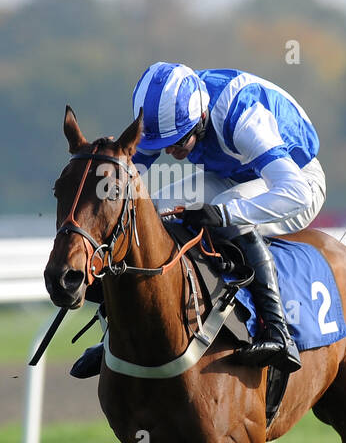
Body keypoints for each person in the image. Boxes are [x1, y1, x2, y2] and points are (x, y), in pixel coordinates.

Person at [71, 61, 326, 377]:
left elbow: (295, 192)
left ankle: (276, 331)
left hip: (295, 182)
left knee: (229, 205)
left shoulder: (242, 117)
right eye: (163, 145)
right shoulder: (165, 115)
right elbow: (123, 179)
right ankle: (118, 332)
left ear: (201, 118)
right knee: (156, 208)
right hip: (234, 176)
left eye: (179, 142)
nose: (171, 151)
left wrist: (223, 214)